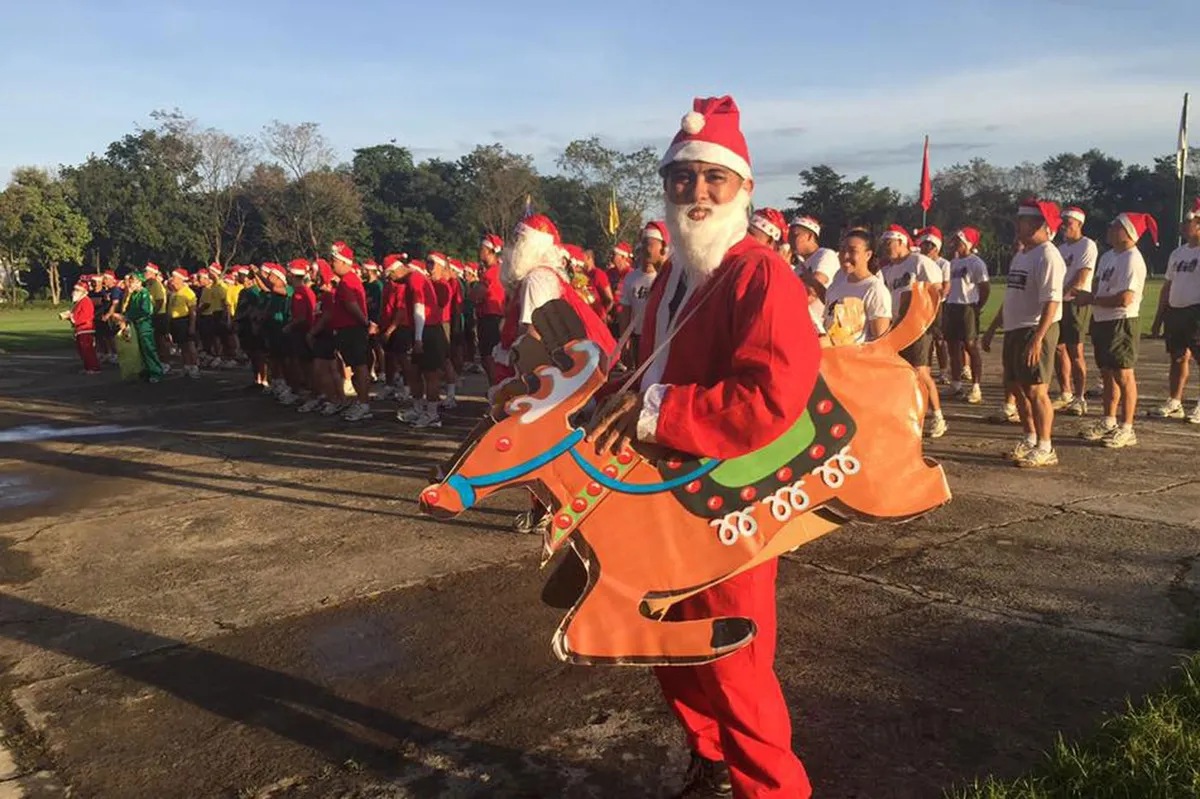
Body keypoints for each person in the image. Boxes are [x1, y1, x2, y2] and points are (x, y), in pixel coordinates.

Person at [586, 95, 814, 799]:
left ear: (745, 188)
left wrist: (653, 411)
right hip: (665, 497)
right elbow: (654, 368)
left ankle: (775, 791)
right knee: (665, 647)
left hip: (728, 497)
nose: (697, 191)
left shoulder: (759, 274)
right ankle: (710, 758)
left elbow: (772, 397)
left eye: (714, 178)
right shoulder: (675, 277)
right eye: (683, 178)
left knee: (735, 666)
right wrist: (612, 396)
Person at [982, 199, 1066, 467]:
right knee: (1017, 388)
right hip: (1015, 329)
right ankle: (1029, 438)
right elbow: (1012, 296)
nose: (1018, 226)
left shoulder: (1048, 255)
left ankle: (1045, 446)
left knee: (1036, 389)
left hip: (1034, 327)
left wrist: (1038, 338)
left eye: (1023, 221)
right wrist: (995, 327)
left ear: (1039, 225)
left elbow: (1052, 302)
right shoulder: (1022, 254)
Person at [1077, 213, 1153, 448]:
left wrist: (1092, 299)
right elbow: (1099, 285)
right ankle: (1108, 421)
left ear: (1128, 232)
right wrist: (1094, 300)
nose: (1110, 229)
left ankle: (1127, 427)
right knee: (1107, 374)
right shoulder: (1109, 256)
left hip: (1122, 321)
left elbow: (1125, 299)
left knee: (1124, 375)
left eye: (1115, 226)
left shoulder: (1132, 258)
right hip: (1103, 321)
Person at [879, 225, 947, 438]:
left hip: (917, 325)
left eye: (888, 243)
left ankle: (937, 416)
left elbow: (937, 292)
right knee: (901, 374)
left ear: (901, 241)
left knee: (921, 371)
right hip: (897, 326)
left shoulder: (919, 262)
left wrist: (931, 323)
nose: (885, 248)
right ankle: (908, 415)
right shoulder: (888, 270)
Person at [1150, 199, 1200, 423]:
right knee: (1177, 358)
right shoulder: (1177, 253)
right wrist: (1159, 316)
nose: (1183, 225)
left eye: (1188, 221)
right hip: (1176, 311)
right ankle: (1174, 401)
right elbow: (1168, 285)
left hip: (1196, 311)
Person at [320, 242, 373, 422]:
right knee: (356, 366)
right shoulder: (346, 281)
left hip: (353, 329)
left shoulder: (348, 281)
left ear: (343, 262)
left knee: (359, 366)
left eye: (334, 260)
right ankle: (361, 401)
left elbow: (352, 306)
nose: (331, 264)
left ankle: (364, 403)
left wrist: (364, 323)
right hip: (349, 329)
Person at [1054, 206, 1098, 415]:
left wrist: (1059, 294)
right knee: (1058, 348)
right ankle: (1065, 392)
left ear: (1079, 224)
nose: (1064, 226)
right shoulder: (1061, 249)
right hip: (1058, 302)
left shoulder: (1087, 245)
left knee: (1075, 350)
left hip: (1074, 302)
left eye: (1068, 222)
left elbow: (1081, 276)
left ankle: (1080, 397)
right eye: (1063, 222)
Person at [394, 259, 447, 429]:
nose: (390, 279)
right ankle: (418, 409)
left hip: (428, 330)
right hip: (423, 329)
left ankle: (432, 414)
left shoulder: (415, 279)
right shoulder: (413, 278)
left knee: (430, 374)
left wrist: (418, 338)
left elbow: (420, 308)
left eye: (390, 275)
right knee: (415, 372)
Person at [943, 227, 990, 403]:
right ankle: (956, 384)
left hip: (967, 307)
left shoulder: (976, 263)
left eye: (959, 241)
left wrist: (978, 306)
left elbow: (985, 287)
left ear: (968, 243)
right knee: (953, 347)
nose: (955, 244)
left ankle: (976, 387)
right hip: (952, 305)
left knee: (971, 346)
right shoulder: (953, 263)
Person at [823, 227, 892, 345]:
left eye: (852, 251)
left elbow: (880, 341)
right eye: (842, 250)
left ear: (868, 255)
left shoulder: (874, 289)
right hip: (832, 359)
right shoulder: (836, 285)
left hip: (856, 360)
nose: (845, 256)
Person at [619, 221, 669, 366]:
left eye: (650, 244)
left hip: (660, 338)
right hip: (638, 337)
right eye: (643, 244)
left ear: (663, 248)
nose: (645, 249)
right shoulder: (631, 278)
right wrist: (623, 343)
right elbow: (625, 312)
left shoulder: (669, 278)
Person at [789, 215, 839, 334]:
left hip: (822, 329)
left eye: (794, 235)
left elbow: (814, 288)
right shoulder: (798, 267)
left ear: (810, 236)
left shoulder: (825, 255)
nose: (790, 240)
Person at [917, 227, 952, 381]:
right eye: (925, 245)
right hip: (921, 306)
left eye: (931, 245)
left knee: (939, 339)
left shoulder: (943, 263)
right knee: (926, 340)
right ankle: (927, 368)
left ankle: (944, 370)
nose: (927, 248)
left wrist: (938, 299)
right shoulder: (919, 261)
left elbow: (946, 284)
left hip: (937, 305)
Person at [117, 270, 165, 382]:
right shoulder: (133, 294)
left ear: (139, 282)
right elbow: (127, 308)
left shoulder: (144, 293)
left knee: (148, 348)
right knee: (139, 349)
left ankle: (156, 371)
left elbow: (145, 310)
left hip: (144, 324)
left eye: (132, 282)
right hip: (136, 324)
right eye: (129, 282)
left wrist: (128, 316)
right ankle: (146, 370)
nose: (129, 284)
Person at [472, 233, 507, 385]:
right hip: (493, 316)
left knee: (489, 357)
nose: (479, 251)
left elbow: (475, 295)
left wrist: (473, 290)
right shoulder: (498, 270)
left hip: (490, 317)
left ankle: (496, 393)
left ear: (490, 251)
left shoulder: (491, 272)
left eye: (482, 248)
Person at [166, 268, 200, 379]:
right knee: (181, 345)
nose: (172, 280)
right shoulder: (174, 293)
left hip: (184, 320)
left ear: (181, 279)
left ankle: (194, 366)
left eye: (174, 277)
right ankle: (186, 366)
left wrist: (192, 326)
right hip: (175, 322)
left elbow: (192, 311)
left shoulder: (188, 292)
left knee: (189, 345)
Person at [61, 279, 100, 373]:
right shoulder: (79, 302)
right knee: (82, 350)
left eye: (77, 290)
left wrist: (72, 318)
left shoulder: (86, 301)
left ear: (84, 292)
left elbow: (86, 316)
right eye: (75, 290)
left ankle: (93, 367)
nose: (74, 292)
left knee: (87, 349)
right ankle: (88, 367)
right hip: (80, 328)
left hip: (86, 328)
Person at [144, 263, 170, 362]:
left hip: (159, 315)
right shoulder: (148, 285)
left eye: (147, 272)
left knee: (161, 340)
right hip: (151, 314)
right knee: (155, 340)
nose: (145, 274)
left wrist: (153, 314)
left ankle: (165, 362)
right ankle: (158, 360)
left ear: (152, 273)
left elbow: (160, 301)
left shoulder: (156, 285)